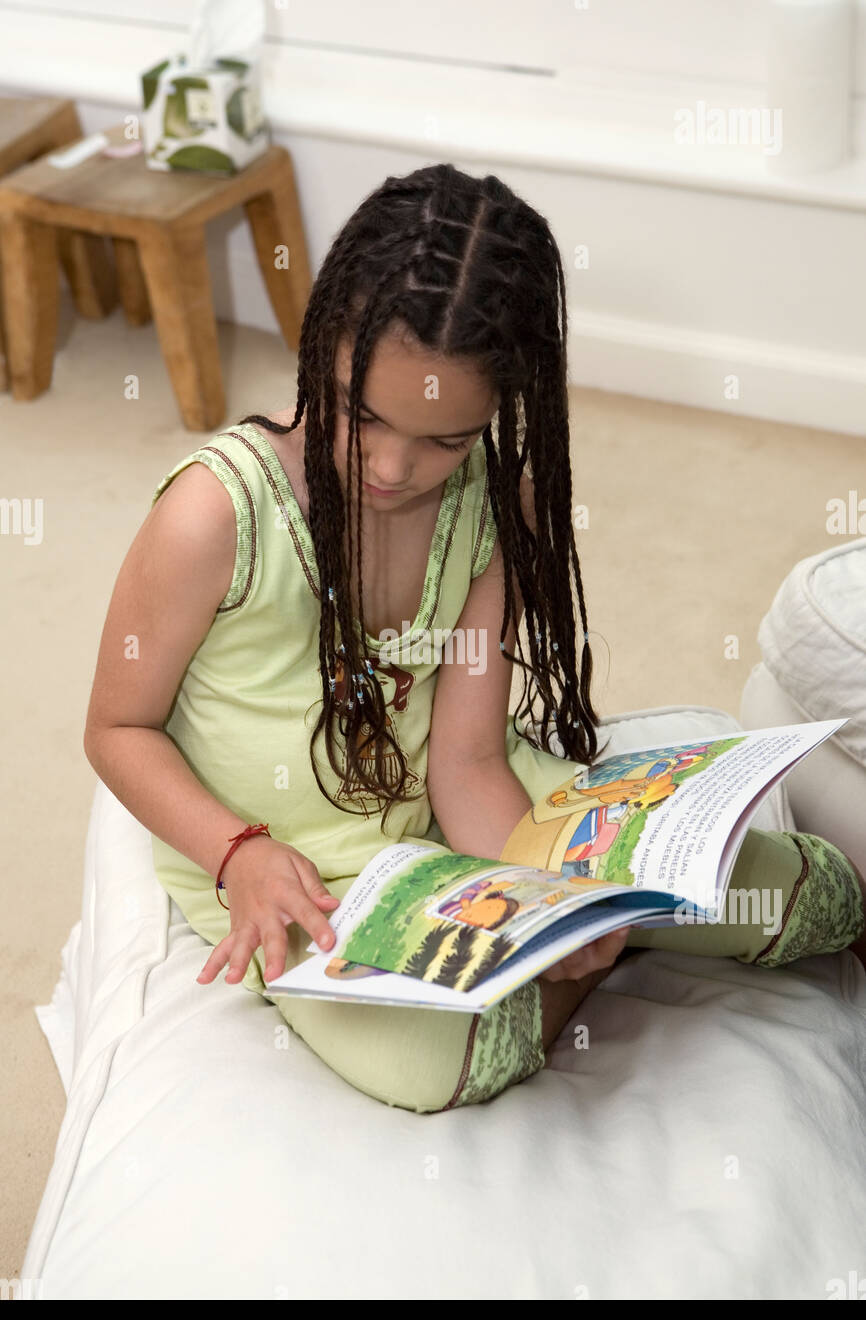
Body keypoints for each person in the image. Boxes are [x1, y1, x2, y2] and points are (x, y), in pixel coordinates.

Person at [83, 163, 866, 1115]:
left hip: (444, 812)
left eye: (446, 440)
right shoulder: (214, 514)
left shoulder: (494, 503)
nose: (392, 465)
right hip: (289, 864)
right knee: (435, 1063)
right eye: (361, 415)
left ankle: (614, 926)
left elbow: (464, 760)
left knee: (793, 894)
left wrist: (558, 906)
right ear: (318, 340)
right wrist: (236, 851)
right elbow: (117, 730)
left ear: (498, 412)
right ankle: (601, 946)